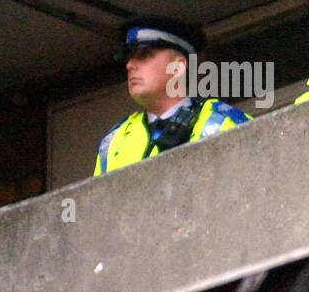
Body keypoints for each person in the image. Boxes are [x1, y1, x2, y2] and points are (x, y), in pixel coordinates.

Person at [94, 17, 251, 175]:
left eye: (144, 55)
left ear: (177, 67)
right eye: (128, 58)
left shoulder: (222, 123)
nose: (129, 65)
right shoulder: (113, 141)